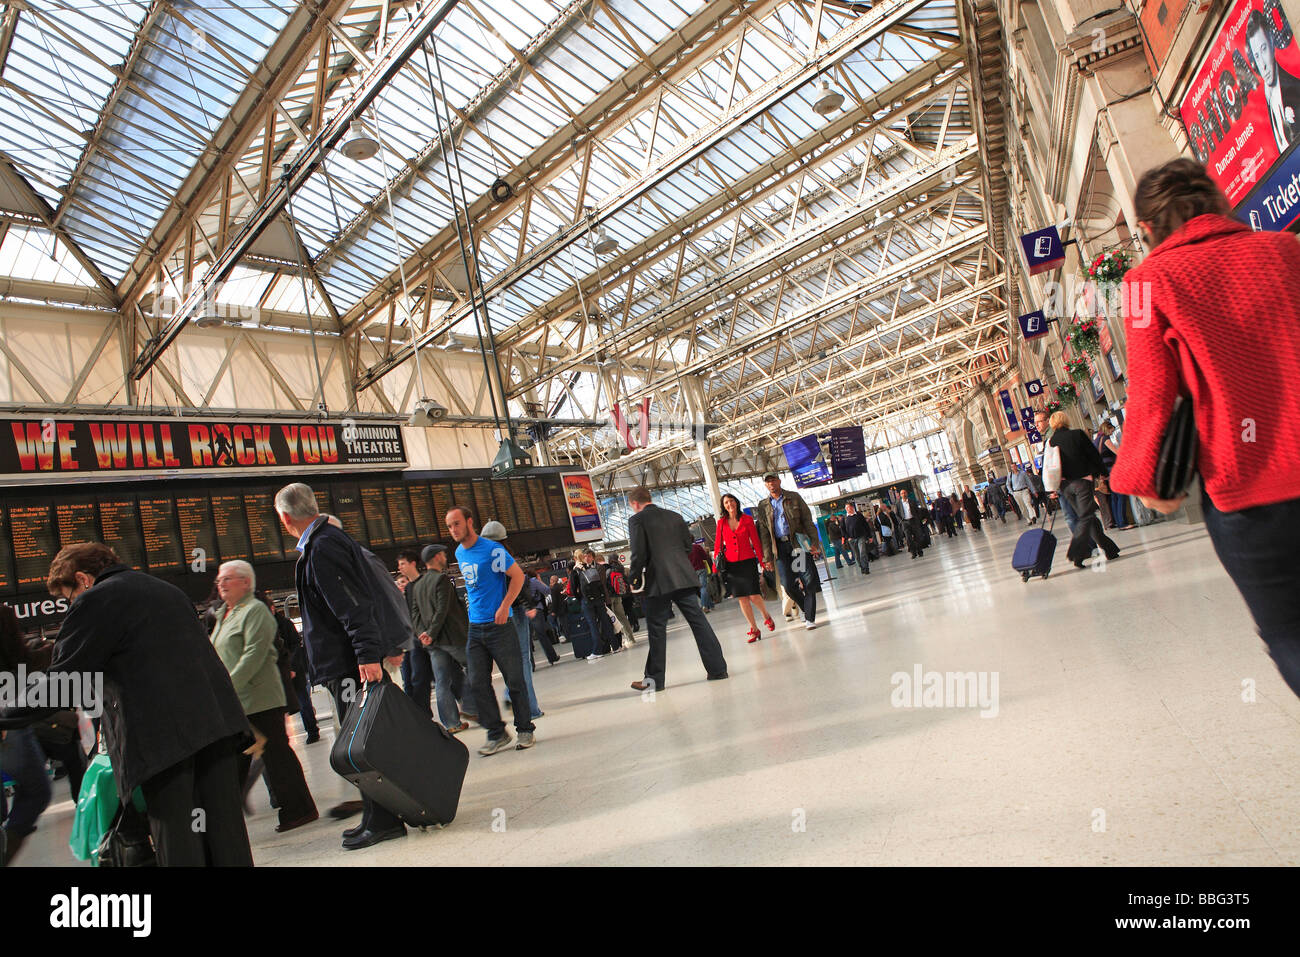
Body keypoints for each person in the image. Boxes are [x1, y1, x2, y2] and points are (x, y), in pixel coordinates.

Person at [1111, 156, 1300, 699]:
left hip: (1248, 496)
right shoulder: (1285, 249)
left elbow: (1150, 396)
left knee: (1291, 631)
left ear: (1146, 227)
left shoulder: (1146, 282)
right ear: (1215, 201)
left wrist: (1142, 483)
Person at [2, 543, 253, 866]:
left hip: (162, 740)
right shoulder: (164, 589)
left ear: (82, 578)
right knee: (224, 832)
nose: (70, 604)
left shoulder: (97, 600)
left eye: (68, 597)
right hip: (217, 728)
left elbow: (62, 683)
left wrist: (5, 713)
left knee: (178, 838)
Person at [276, 484, 406, 851]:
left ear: (285, 518)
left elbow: (352, 607)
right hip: (348, 661)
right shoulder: (327, 541)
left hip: (350, 663)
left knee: (361, 744)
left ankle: (383, 819)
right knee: (357, 742)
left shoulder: (322, 547)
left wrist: (366, 655)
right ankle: (373, 815)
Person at [209, 561, 318, 834]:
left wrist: (228, 687)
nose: (221, 584)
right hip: (237, 700)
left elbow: (254, 654)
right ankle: (226, 814)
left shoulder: (255, 611)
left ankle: (299, 809)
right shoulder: (225, 613)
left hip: (259, 697)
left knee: (276, 755)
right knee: (240, 756)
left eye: (228, 579)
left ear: (246, 582)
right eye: (220, 579)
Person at [446, 506, 537, 755]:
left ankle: (525, 729)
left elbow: (517, 576)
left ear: (469, 522)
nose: (453, 530)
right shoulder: (459, 553)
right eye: (449, 526)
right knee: (477, 682)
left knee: (515, 679)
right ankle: (496, 733)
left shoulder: (492, 550)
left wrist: (505, 606)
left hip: (500, 627)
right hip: (476, 628)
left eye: (456, 523)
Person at [625, 487, 728, 691]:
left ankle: (654, 681)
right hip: (683, 577)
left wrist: (634, 578)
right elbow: (687, 547)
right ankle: (718, 670)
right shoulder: (675, 516)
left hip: (659, 582)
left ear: (635, 504)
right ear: (649, 498)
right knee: (699, 623)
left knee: (657, 630)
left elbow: (638, 553)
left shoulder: (637, 520)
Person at [0, 606, 52, 867]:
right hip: (6, 718)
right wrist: (52, 650)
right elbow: (22, 664)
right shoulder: (2, 615)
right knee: (36, 791)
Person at [481, 521, 544, 722]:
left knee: (509, 659)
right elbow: (518, 582)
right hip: (515, 611)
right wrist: (530, 605)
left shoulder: (482, 557)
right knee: (523, 658)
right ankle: (531, 708)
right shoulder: (502, 555)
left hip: (496, 615)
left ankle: (511, 694)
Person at [409, 544, 473, 734]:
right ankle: (470, 707)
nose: (445, 557)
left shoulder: (418, 584)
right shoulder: (441, 579)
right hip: (450, 638)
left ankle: (452, 723)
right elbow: (442, 610)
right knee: (475, 666)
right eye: (443, 555)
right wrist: (431, 632)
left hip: (432, 643)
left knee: (441, 682)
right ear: (437, 557)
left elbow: (414, 613)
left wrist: (423, 633)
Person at [1047, 411, 1121, 568]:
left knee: (1088, 517)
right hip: (1082, 482)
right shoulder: (1078, 434)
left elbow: (1049, 466)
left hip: (1065, 486)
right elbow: (1093, 455)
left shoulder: (1052, 441)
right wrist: (1102, 473)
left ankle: (1110, 549)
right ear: (1066, 420)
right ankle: (1077, 554)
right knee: (1086, 517)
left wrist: (1052, 487)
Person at [754, 474, 822, 630]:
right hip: (780, 549)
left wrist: (814, 542)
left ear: (779, 481)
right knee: (788, 585)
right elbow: (764, 533)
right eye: (768, 482)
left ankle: (810, 618)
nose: (771, 484)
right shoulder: (763, 505)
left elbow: (807, 520)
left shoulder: (793, 497)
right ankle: (806, 607)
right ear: (765, 485)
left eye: (773, 480)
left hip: (797, 545)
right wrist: (767, 558)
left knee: (808, 580)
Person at [713, 492, 775, 642]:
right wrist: (715, 569)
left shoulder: (747, 520)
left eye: (731, 501)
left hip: (748, 562)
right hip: (731, 565)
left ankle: (766, 616)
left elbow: (756, 542)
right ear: (724, 506)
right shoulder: (721, 523)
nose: (730, 504)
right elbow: (717, 545)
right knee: (742, 598)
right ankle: (754, 629)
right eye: (726, 502)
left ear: (736, 502)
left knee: (753, 595)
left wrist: (763, 562)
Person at [1246, 9, 1300, 152]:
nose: (1262, 64)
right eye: (1257, 56)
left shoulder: (1294, 87)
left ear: (1271, 45)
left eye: (1263, 49)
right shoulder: (1265, 101)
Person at [394, 549, 436, 719]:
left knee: (420, 677)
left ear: (413, 563)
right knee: (410, 681)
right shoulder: (402, 596)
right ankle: (418, 715)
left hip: (422, 638)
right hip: (409, 642)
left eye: (402, 563)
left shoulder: (422, 585)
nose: (400, 567)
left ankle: (422, 715)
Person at [569, 550, 618, 659]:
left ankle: (597, 651)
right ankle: (615, 646)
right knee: (606, 622)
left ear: (575, 559)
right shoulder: (591, 567)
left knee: (593, 626)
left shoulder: (575, 571)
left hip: (587, 601)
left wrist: (580, 598)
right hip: (598, 599)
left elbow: (573, 589)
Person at [842, 501, 874, 573]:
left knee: (862, 552)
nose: (847, 509)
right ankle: (861, 566)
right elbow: (842, 529)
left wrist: (869, 536)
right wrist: (847, 537)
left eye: (848, 507)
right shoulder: (845, 518)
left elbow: (866, 525)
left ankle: (866, 568)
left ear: (852, 507)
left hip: (861, 537)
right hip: (852, 539)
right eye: (846, 508)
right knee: (856, 555)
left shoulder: (859, 515)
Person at [689, 540, 715, 611]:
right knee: (703, 587)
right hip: (701, 569)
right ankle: (704, 605)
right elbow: (704, 556)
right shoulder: (697, 547)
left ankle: (711, 605)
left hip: (691, 571)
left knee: (700, 588)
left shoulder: (685, 549)